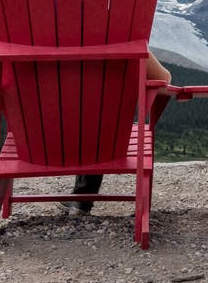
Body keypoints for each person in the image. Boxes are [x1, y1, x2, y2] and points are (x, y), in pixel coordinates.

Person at [62, 52, 171, 215]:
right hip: (107, 136)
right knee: (102, 120)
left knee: (90, 117)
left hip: (43, 143)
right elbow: (163, 78)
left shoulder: (39, 40)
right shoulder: (129, 36)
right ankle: (81, 200)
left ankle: (80, 197)